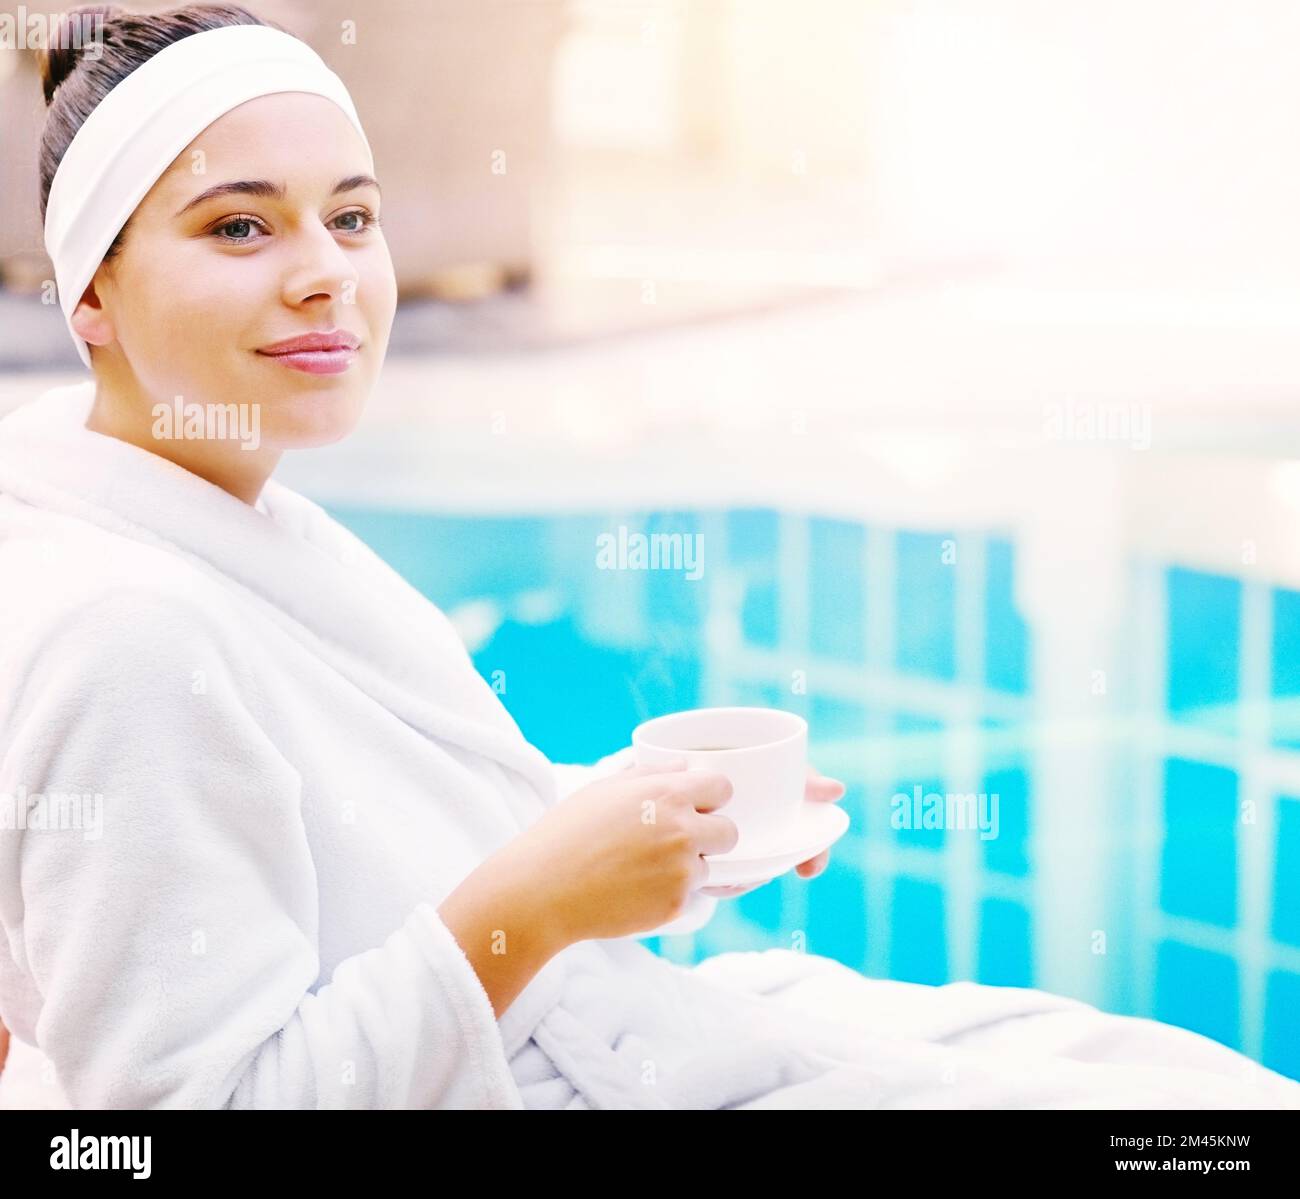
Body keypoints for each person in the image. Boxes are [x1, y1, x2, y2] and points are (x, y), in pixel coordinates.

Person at [0, 4, 1296, 1111]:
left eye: (352, 218)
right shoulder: (128, 633)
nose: (326, 276)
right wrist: (541, 902)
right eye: (239, 229)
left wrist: (636, 833)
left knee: (1184, 1094)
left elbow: (364, 858)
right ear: (92, 293)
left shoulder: (210, 514)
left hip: (630, 1031)